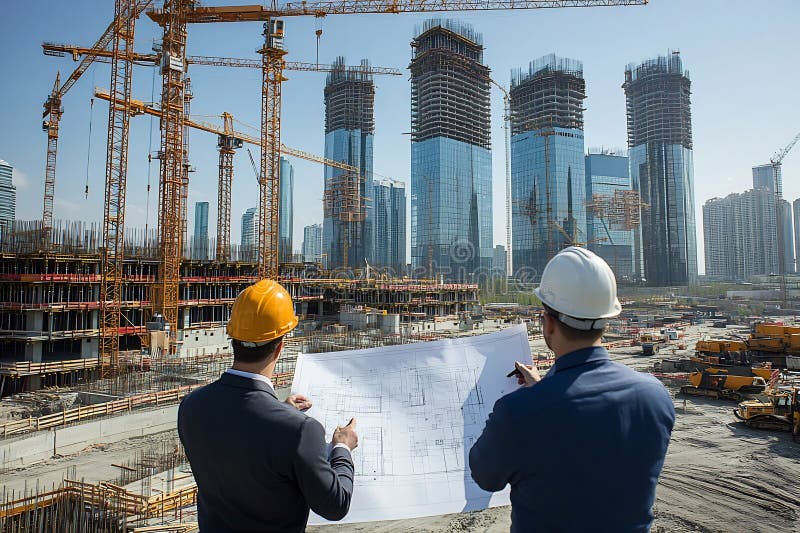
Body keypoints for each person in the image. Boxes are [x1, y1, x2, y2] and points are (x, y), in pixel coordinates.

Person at [469, 247, 675, 532]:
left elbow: (485, 476)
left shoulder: (517, 413)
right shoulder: (655, 396)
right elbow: (588, 433)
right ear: (607, 318)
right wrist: (544, 392)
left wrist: (534, 402)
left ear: (549, 323)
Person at [178, 279, 358, 532]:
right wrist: (342, 448)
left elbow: (240, 436)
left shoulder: (191, 407)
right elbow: (335, 505)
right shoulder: (300, 431)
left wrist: (281, 411)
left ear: (233, 339)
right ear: (280, 347)